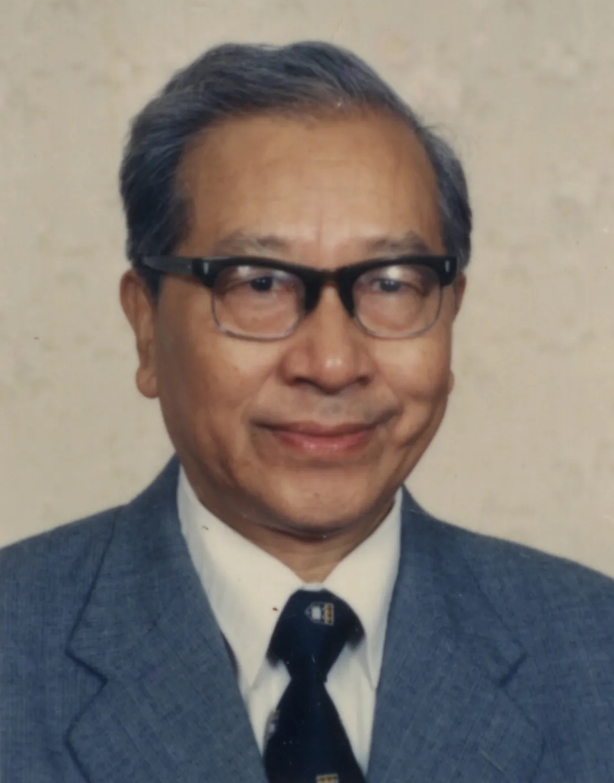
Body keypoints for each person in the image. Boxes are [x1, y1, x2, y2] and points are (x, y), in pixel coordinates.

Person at [2, 41, 614, 783]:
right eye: (259, 284)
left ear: (450, 313)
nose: (331, 364)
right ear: (146, 328)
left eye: (391, 283)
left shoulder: (595, 652)